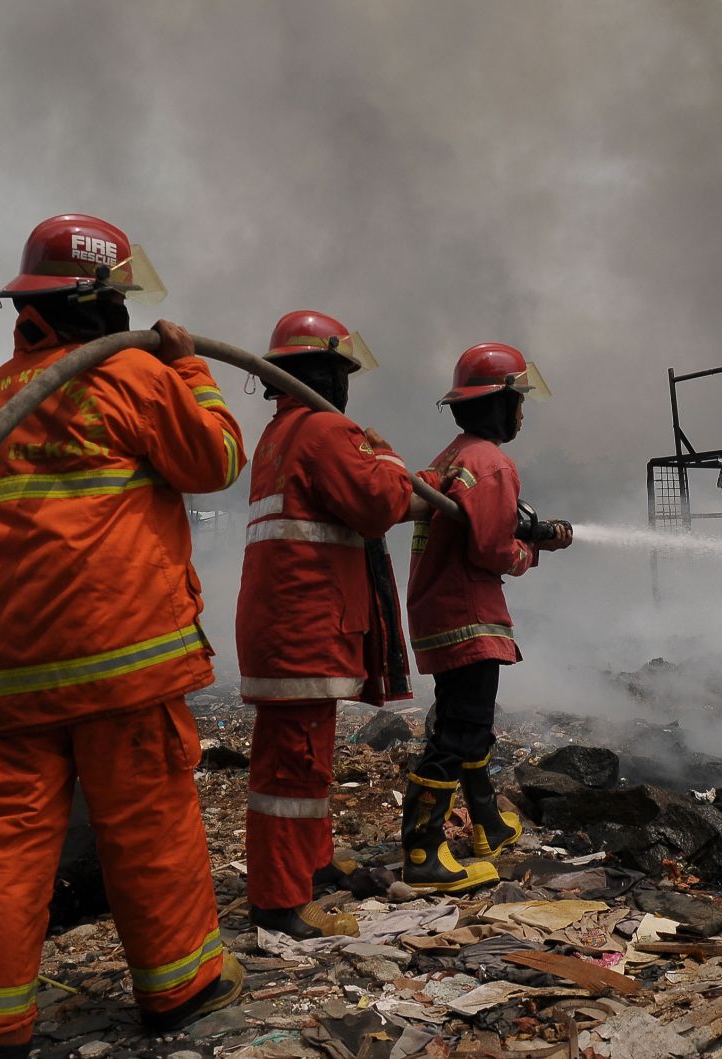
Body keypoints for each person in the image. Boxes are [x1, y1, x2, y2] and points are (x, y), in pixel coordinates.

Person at [0, 214, 246, 1058]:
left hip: (5, 676)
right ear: (98, 302)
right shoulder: (132, 373)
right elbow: (217, 458)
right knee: (147, 820)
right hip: (118, 662)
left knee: (5, 834)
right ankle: (181, 988)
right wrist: (190, 366)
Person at [236, 309, 414, 939]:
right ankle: (279, 901)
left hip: (289, 625)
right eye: (340, 371)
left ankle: (308, 866)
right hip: (305, 627)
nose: (345, 385)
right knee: (291, 769)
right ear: (318, 371)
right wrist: (385, 453)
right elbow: (382, 502)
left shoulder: (281, 434)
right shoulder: (327, 430)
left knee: (305, 759)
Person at [403, 342, 572, 893]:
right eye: (518, 401)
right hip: (470, 618)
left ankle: (488, 827)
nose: (522, 413)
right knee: (456, 735)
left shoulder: (454, 456)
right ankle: (423, 851)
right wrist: (531, 550)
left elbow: (475, 526)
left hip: (441, 613)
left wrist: (527, 530)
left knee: (469, 726)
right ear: (498, 405)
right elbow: (492, 551)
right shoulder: (494, 463)